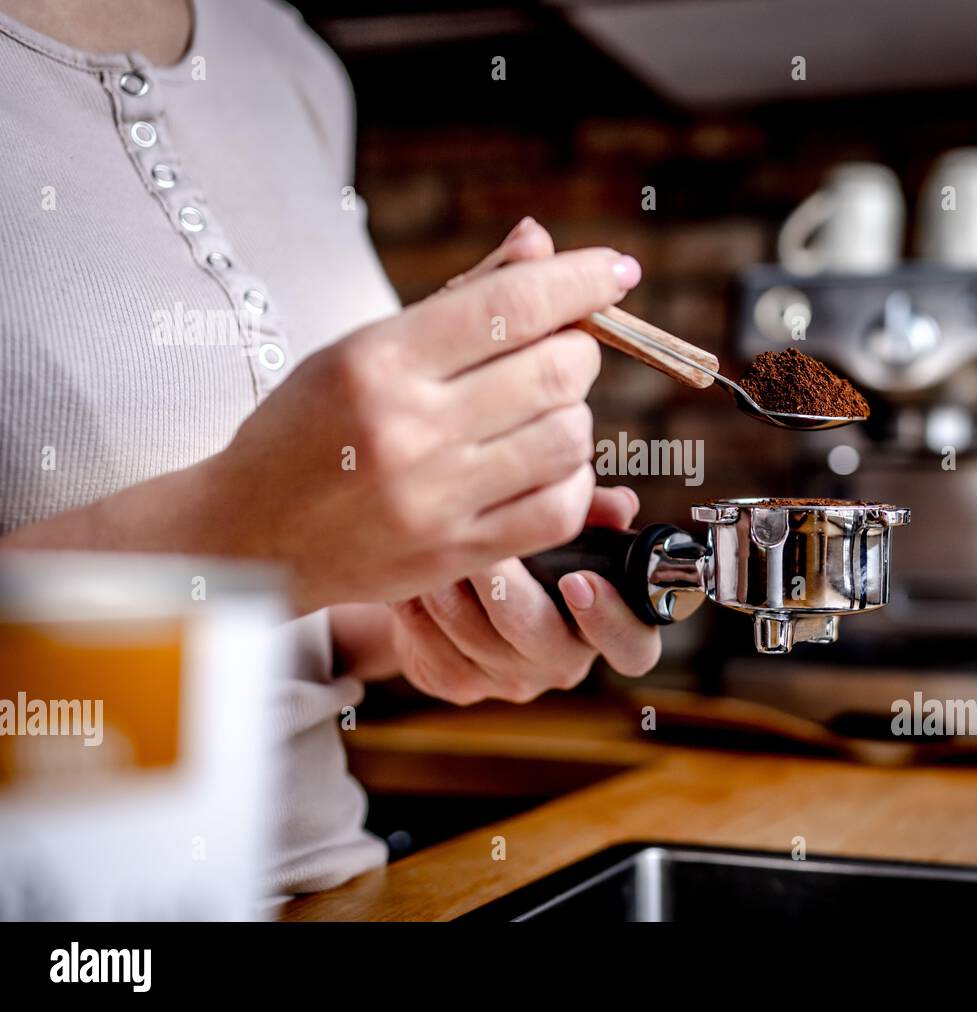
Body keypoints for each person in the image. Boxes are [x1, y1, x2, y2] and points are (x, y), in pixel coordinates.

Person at [0, 0, 662, 895]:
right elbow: (264, 544)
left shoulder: (287, 61)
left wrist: (444, 594)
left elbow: (313, 610)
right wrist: (234, 538)